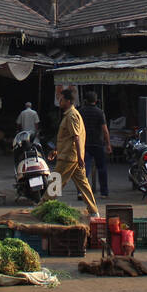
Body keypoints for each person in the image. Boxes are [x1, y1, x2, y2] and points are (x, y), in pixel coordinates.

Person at [55, 88, 98, 216]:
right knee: (83, 185)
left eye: (61, 99)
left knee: (54, 182)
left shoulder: (72, 115)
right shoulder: (70, 115)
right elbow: (67, 138)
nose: (59, 101)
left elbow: (76, 137)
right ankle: (94, 211)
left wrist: (80, 157)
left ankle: (43, 206)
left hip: (69, 157)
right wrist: (56, 150)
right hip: (70, 156)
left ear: (68, 101)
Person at [78, 93, 112, 199]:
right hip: (98, 143)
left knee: (84, 169)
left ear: (85, 100)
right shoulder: (99, 112)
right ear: (96, 101)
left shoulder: (81, 112)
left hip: (85, 143)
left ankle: (81, 192)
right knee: (102, 168)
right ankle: (104, 193)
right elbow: (105, 130)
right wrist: (108, 144)